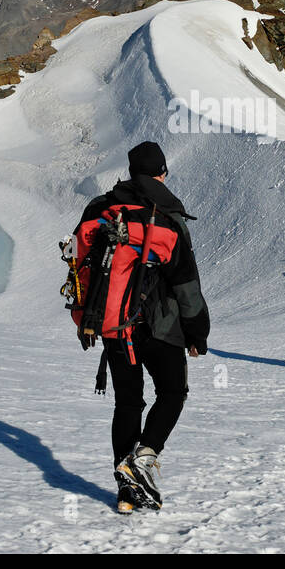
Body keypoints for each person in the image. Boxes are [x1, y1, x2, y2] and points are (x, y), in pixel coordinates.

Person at [71, 141, 210, 513]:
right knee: (172, 393)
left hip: (114, 325)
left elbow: (79, 262)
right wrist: (197, 332)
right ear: (161, 173)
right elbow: (185, 284)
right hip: (159, 327)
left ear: (132, 173)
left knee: (128, 402)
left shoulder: (100, 209)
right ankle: (143, 459)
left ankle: (126, 492)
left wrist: (88, 317)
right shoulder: (164, 214)